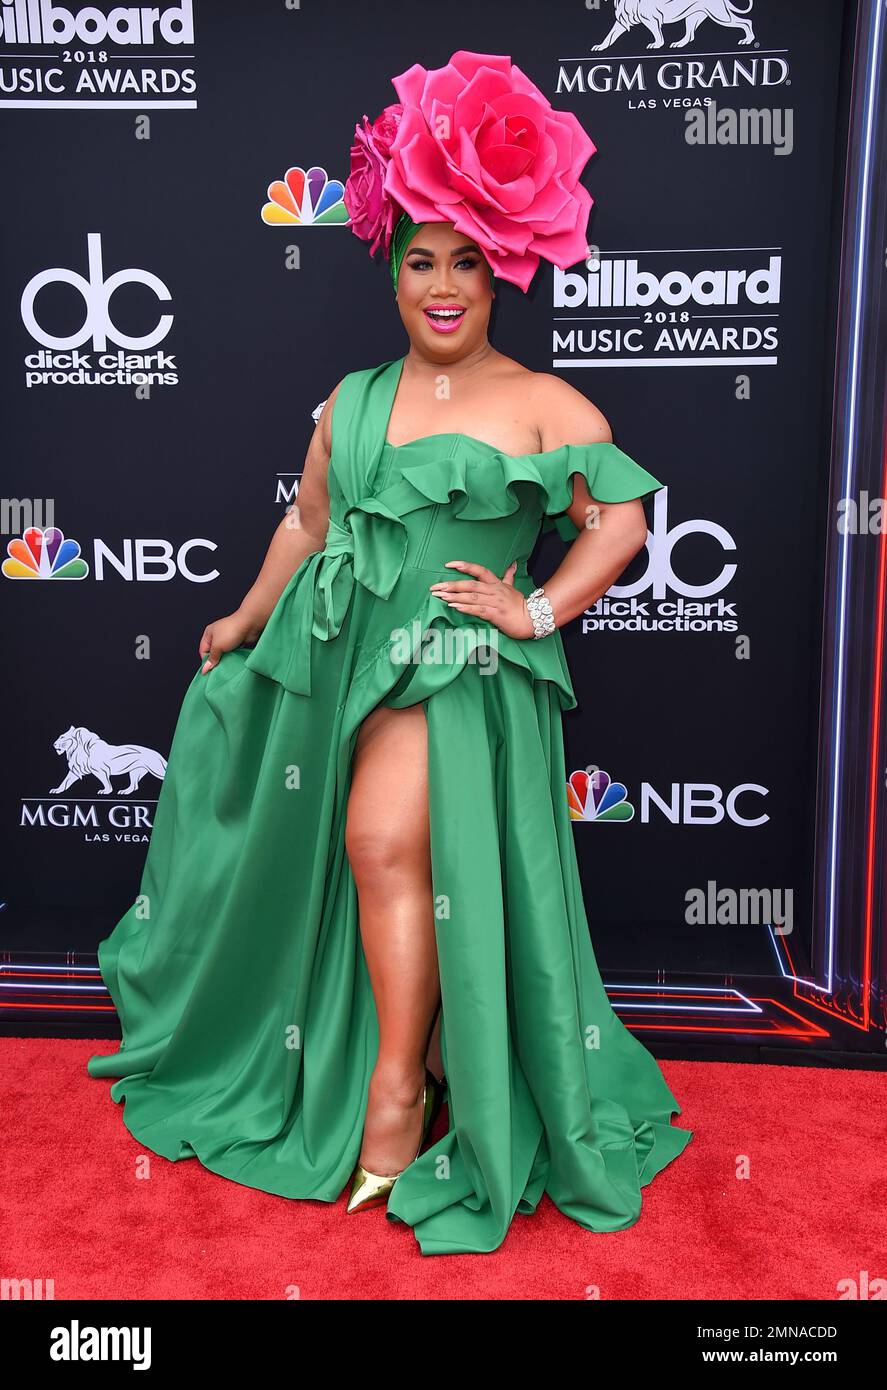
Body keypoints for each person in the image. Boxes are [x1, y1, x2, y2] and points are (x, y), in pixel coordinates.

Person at [87, 50, 692, 1257]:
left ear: (501, 270)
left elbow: (618, 523)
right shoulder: (351, 397)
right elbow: (309, 521)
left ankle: (395, 1102)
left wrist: (533, 611)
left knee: (374, 839)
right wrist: (247, 618)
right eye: (421, 261)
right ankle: (363, 1067)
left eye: (466, 261)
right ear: (392, 272)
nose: (443, 284)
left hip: (451, 669)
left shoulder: (543, 403)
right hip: (334, 657)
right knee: (349, 858)